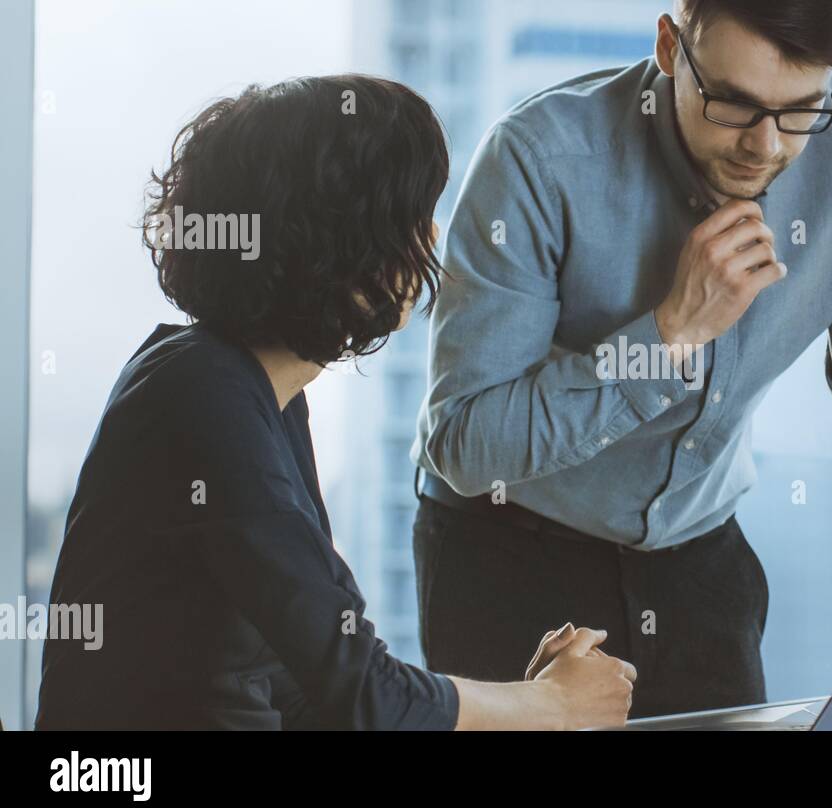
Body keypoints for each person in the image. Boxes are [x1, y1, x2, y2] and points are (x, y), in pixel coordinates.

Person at [36, 75, 635, 731]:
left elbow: (321, 691)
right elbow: (360, 690)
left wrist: (527, 702)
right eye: (409, 218)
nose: (432, 238)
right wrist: (546, 705)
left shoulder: (258, 395)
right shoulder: (202, 394)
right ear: (339, 247)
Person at [412, 0, 832, 718]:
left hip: (699, 553)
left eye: (801, 110)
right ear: (668, 47)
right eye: (733, 102)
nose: (765, 146)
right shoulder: (537, 159)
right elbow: (464, 440)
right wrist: (668, 338)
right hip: (509, 549)